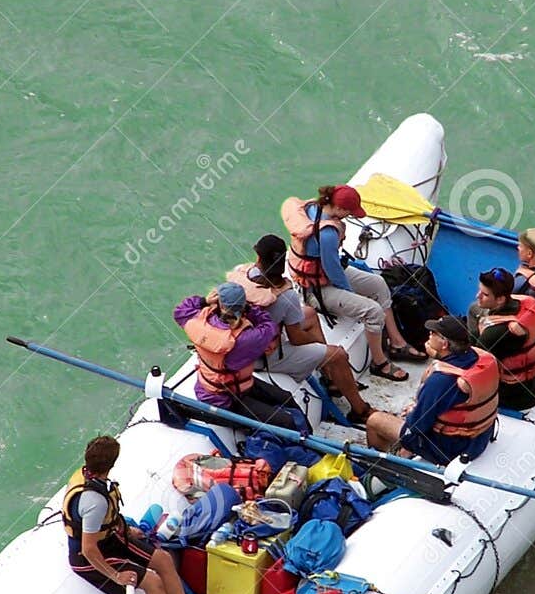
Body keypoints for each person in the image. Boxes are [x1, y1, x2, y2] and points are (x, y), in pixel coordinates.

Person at [63, 436, 221, 594]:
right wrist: (115, 576)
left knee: (163, 560)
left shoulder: (88, 476)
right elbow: (88, 549)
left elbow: (104, 521)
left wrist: (124, 528)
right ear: (112, 463)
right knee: (152, 581)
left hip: (110, 537)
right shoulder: (94, 500)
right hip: (88, 556)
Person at [280, 184, 423, 382]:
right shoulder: (327, 233)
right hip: (317, 290)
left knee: (379, 284)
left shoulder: (313, 208)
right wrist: (350, 294)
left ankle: (396, 342)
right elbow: (332, 270)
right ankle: (379, 363)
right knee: (373, 311)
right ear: (339, 209)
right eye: (349, 212)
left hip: (323, 275)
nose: (349, 216)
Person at [228, 235, 373, 426]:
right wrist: (324, 350)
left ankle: (331, 378)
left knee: (310, 313)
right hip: (263, 358)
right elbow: (296, 338)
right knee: (337, 355)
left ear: (258, 258)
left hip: (241, 347)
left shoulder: (243, 276)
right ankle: (359, 410)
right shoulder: (286, 295)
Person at [365, 316, 499, 466]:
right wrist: (436, 356)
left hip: (451, 450)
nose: (429, 334)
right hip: (481, 437)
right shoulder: (482, 357)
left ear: (444, 343)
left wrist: (410, 414)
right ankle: (406, 450)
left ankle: (383, 469)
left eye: (433, 333)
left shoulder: (441, 380)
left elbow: (416, 426)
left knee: (375, 420)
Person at [174, 280, 307, 430]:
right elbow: (269, 327)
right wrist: (250, 309)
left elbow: (181, 310)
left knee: (285, 397)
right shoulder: (244, 340)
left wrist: (204, 301)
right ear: (242, 306)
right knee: (286, 421)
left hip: (215, 387)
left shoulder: (197, 320)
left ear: (220, 304)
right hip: (225, 399)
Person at [469, 267, 535, 411]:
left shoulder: (493, 334)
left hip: (511, 397)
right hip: (532, 386)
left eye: (484, 294)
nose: (477, 295)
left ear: (500, 299)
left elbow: (474, 372)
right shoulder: (525, 303)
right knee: (473, 308)